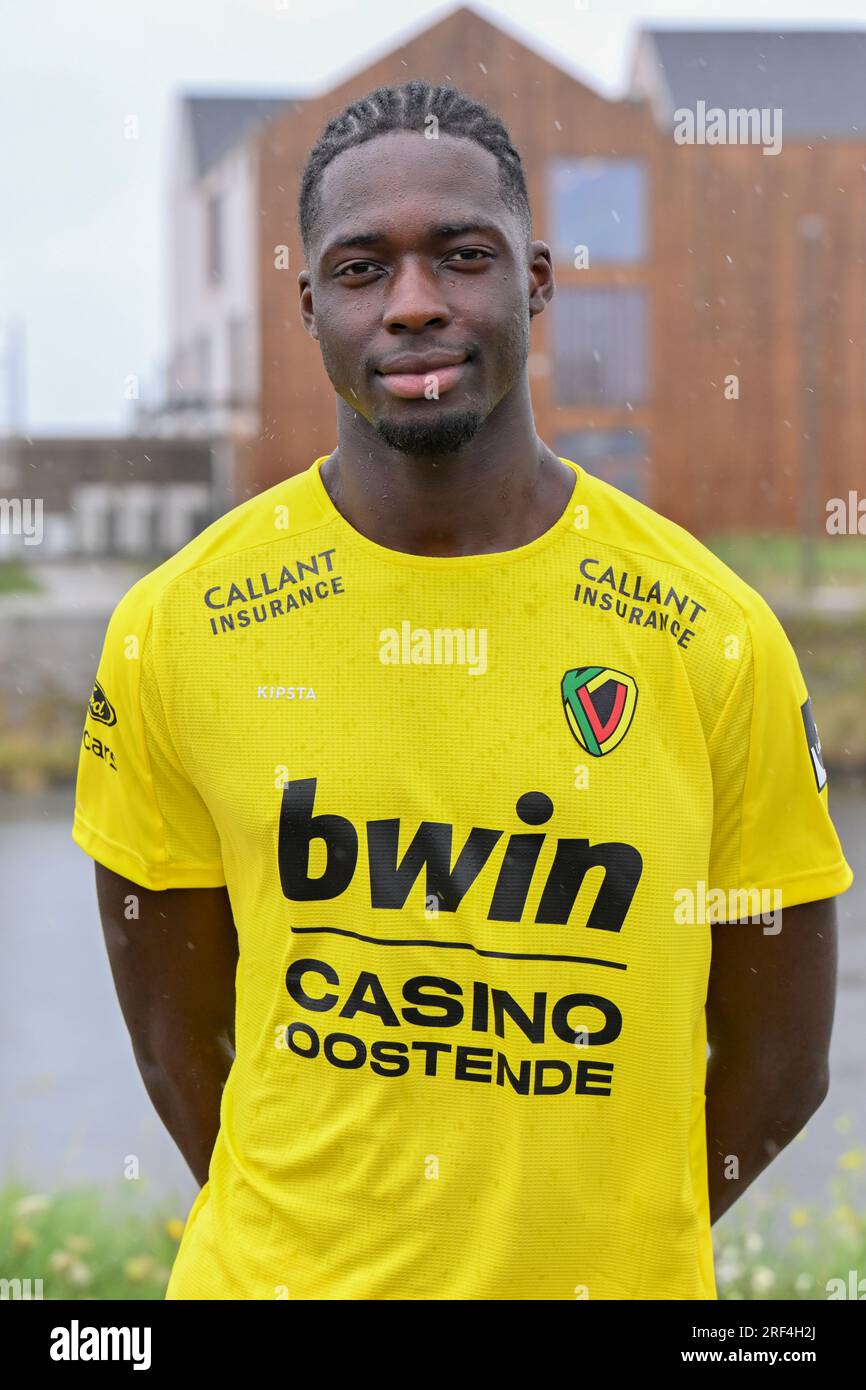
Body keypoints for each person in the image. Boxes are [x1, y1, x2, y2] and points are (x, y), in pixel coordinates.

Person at [72, 80, 853, 1300]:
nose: (415, 304)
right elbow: (182, 1056)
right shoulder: (178, 629)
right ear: (310, 307)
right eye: (360, 269)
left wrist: (597, 1240)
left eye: (462, 256)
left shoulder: (712, 633)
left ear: (535, 281)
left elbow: (780, 1066)